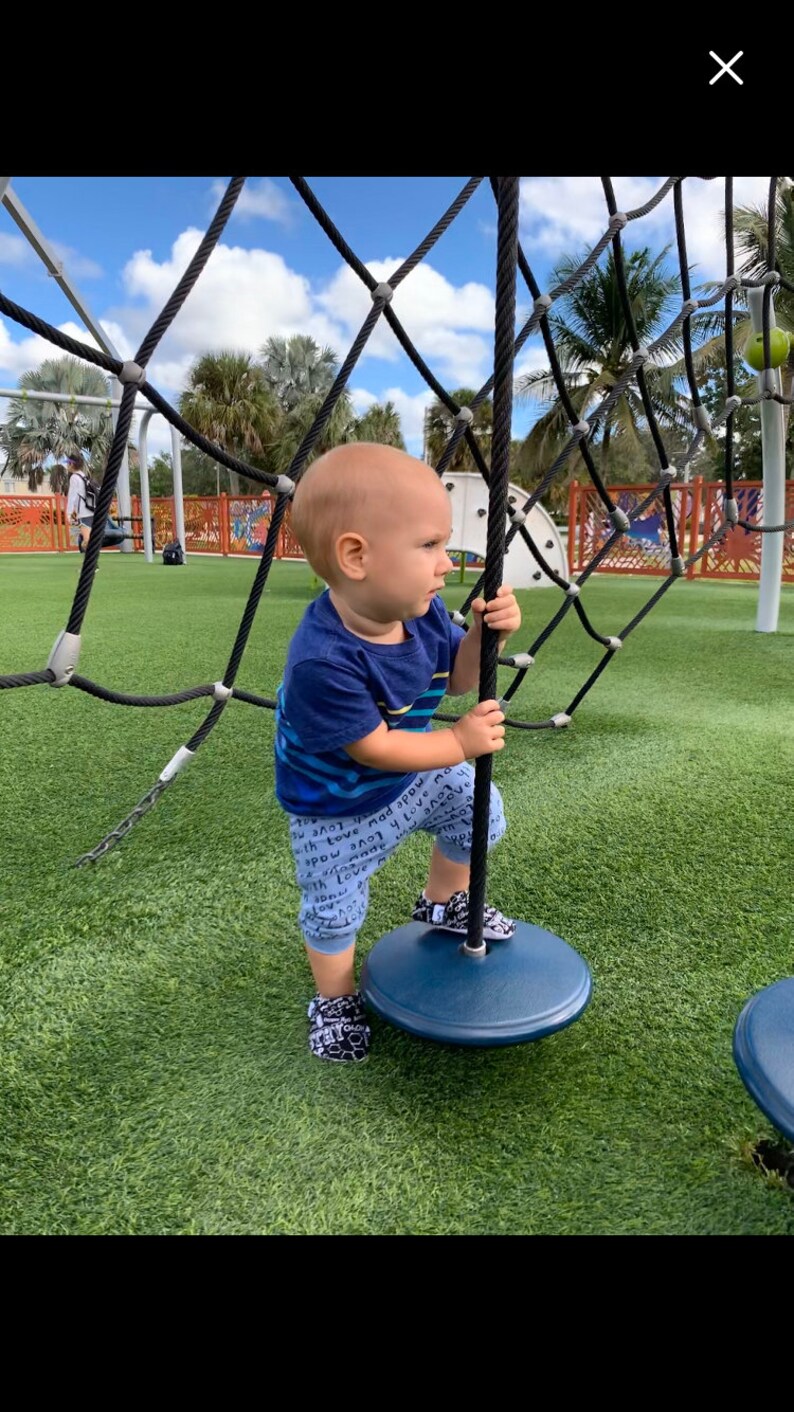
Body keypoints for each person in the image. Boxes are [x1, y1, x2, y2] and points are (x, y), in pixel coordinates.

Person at [275, 443, 522, 1063]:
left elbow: (461, 678)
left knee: (479, 808)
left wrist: (486, 640)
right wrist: (457, 742)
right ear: (356, 556)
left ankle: (442, 901)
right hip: (337, 807)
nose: (448, 563)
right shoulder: (321, 660)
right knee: (334, 909)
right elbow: (374, 749)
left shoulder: (427, 614)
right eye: (429, 546)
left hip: (411, 778)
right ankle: (333, 999)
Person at [65, 454, 98, 554]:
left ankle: (92, 565)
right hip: (92, 509)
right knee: (90, 539)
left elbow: (72, 496)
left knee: (87, 540)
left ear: (71, 464)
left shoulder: (74, 477)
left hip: (84, 512)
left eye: (68, 463)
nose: (67, 466)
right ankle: (92, 563)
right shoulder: (84, 476)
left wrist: (68, 513)